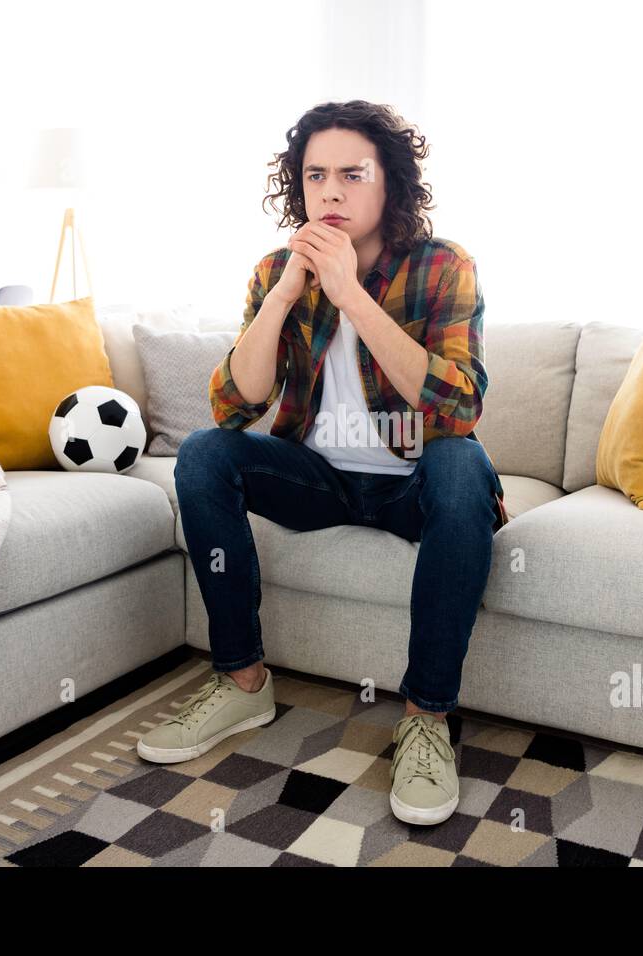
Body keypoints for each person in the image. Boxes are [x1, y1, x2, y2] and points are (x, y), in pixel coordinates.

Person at [137, 100, 508, 827]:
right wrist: (284, 296)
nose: (331, 192)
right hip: (323, 481)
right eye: (315, 176)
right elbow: (232, 405)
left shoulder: (442, 267)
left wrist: (351, 296)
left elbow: (458, 408)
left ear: (389, 185)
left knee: (463, 466)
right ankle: (243, 681)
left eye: (351, 174)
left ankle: (426, 720)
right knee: (208, 456)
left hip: (414, 482)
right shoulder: (278, 269)